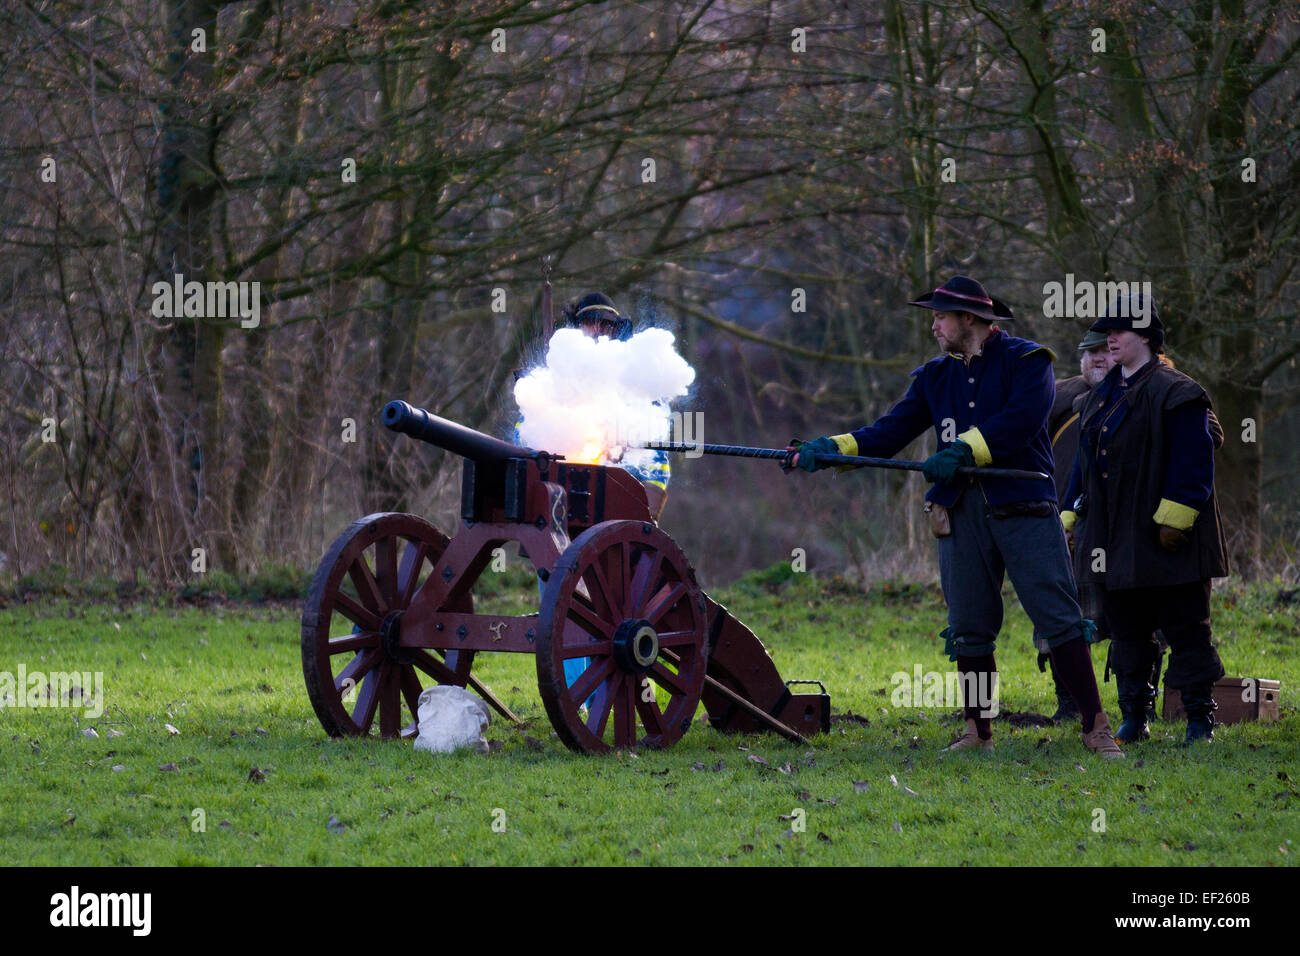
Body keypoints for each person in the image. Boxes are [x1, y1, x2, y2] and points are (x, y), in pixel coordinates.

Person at [787, 275, 1122, 757]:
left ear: (971, 319)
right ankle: (977, 731)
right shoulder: (934, 377)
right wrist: (829, 449)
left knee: (1059, 618)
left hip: (1024, 503)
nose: (934, 326)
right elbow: (888, 432)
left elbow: (1020, 422)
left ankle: (1095, 725)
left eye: (940, 317)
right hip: (959, 512)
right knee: (969, 624)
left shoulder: (1029, 362)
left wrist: (963, 449)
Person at [1061, 294, 1229, 743]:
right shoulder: (1100, 395)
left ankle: (1199, 721)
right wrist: (1071, 514)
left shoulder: (1180, 392)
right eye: (1108, 331)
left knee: (1187, 627)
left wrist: (1176, 519)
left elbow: (1195, 463)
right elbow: (1083, 463)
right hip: (1115, 538)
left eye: (1120, 331)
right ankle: (1135, 717)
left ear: (1147, 338)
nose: (1110, 339)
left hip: (1167, 536)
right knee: (1129, 631)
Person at [1037, 330, 1115, 723]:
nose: (1098, 358)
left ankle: (1140, 706)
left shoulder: (1153, 390)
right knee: (1059, 610)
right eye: (1091, 352)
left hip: (1124, 526)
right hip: (1061, 523)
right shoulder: (1055, 395)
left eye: (1107, 350)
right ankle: (1067, 704)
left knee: (1135, 615)